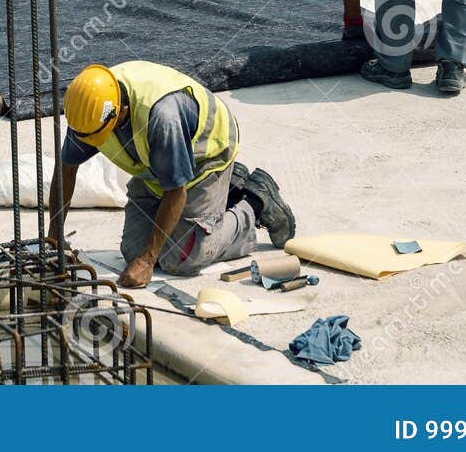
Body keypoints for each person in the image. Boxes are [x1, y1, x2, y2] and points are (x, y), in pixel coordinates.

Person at [48, 61, 294, 289]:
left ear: (121, 111)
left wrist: (148, 260)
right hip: (155, 168)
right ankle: (228, 191)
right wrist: (54, 235)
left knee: (181, 259)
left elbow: (176, 192)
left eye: (100, 136)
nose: (95, 142)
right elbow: (66, 169)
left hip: (203, 159)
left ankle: (252, 204)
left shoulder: (162, 119)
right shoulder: (90, 108)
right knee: (133, 251)